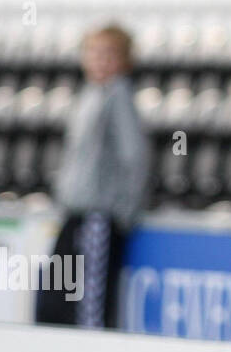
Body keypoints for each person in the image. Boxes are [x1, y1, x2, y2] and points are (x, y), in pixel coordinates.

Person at [37, 23, 150, 329]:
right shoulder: (89, 95)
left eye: (109, 55)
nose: (101, 61)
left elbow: (134, 157)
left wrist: (122, 212)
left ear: (125, 61)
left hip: (98, 217)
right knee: (55, 300)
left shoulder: (119, 98)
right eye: (95, 53)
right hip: (75, 214)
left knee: (88, 304)